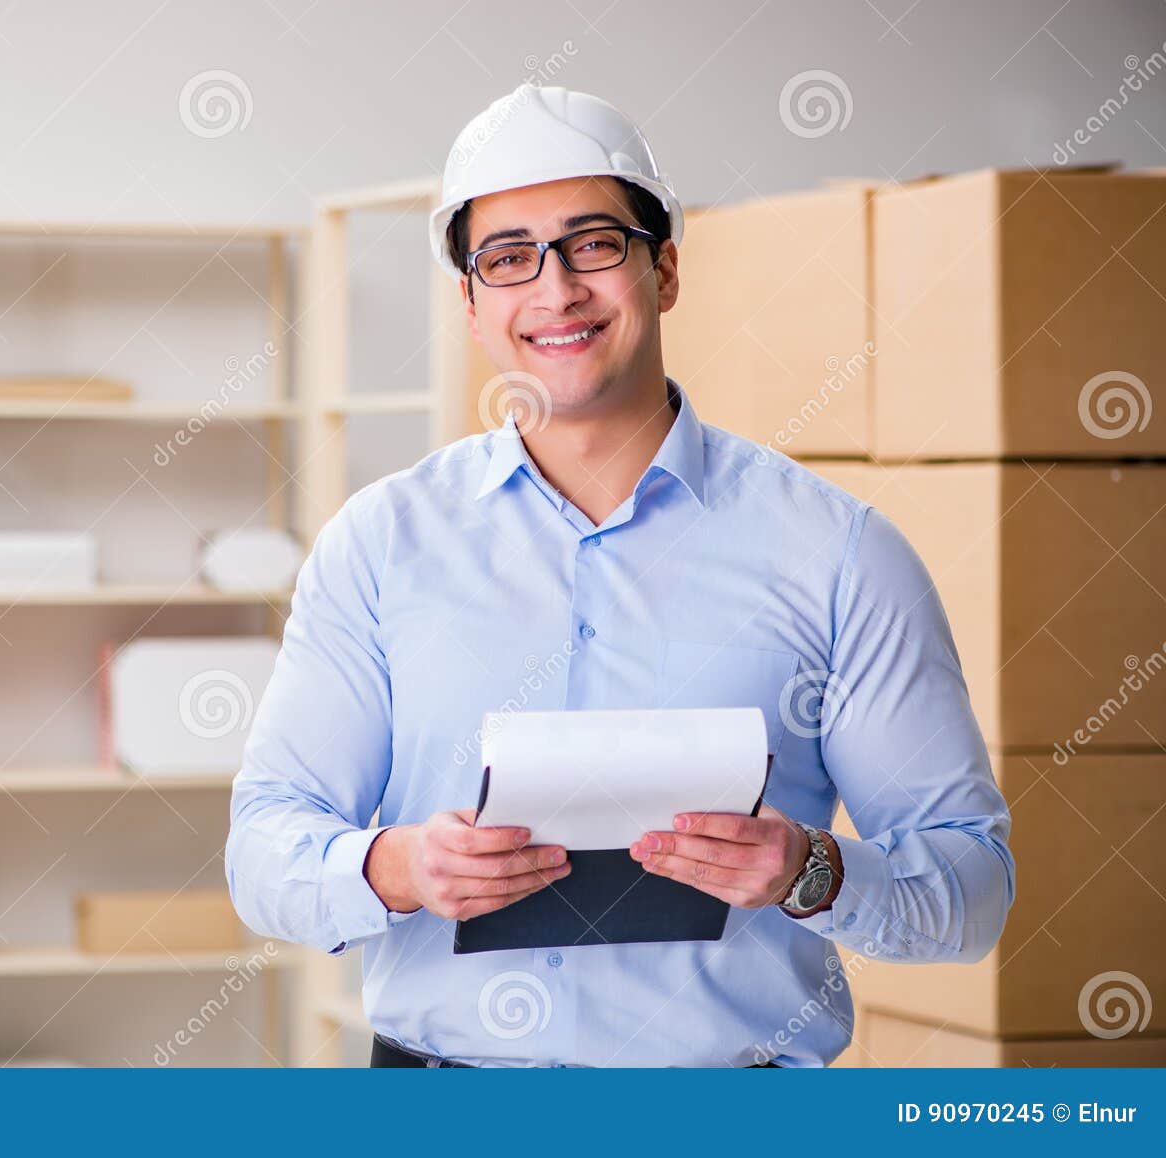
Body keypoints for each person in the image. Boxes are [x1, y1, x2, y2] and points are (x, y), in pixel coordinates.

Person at [225, 83, 1014, 1067]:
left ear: (665, 268)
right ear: (471, 304)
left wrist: (809, 871)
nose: (556, 291)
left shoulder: (839, 552)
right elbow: (263, 851)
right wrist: (401, 867)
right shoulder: (380, 545)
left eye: (593, 244)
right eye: (508, 259)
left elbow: (972, 889)